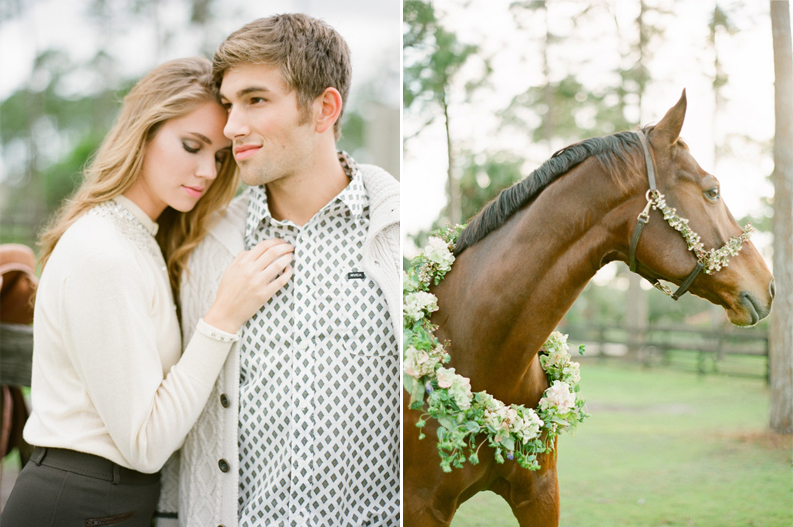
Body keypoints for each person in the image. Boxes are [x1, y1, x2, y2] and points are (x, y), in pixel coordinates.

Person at [0, 57, 294, 527]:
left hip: (110, 504)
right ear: (144, 132)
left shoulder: (143, 238)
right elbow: (146, 443)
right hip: (76, 503)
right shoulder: (104, 250)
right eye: (191, 146)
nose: (207, 171)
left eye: (219, 156)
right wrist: (223, 317)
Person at [156, 14, 401, 527]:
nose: (230, 127)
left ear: (323, 109)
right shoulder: (204, 242)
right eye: (228, 104)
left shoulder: (399, 233)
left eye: (255, 100)